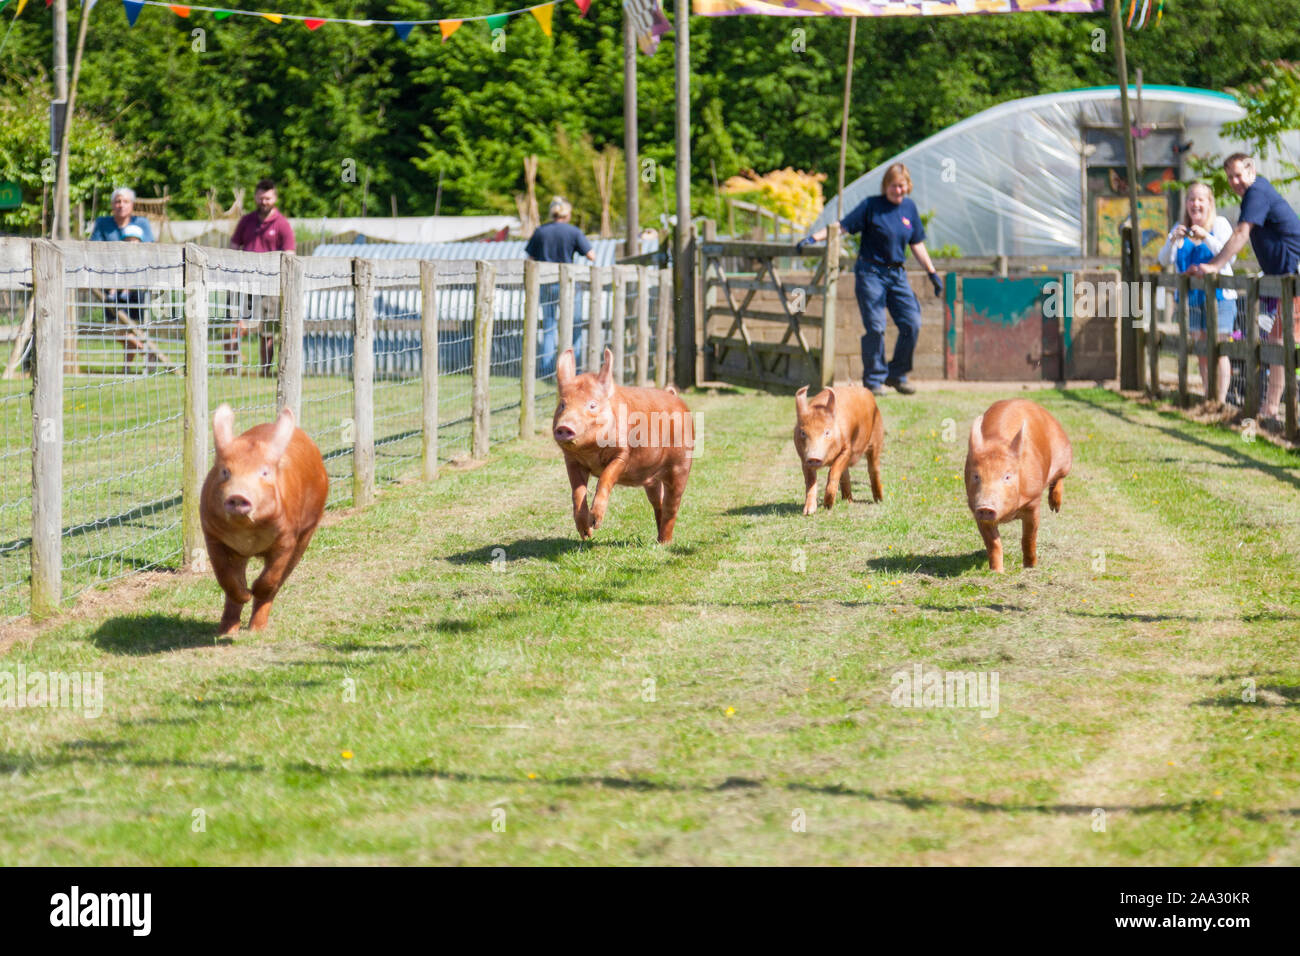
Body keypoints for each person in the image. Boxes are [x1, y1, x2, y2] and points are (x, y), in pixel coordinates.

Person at [801, 163, 942, 396]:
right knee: (876, 326)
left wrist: (932, 272)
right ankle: (874, 379)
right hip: (871, 273)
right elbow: (843, 226)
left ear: (908, 186)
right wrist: (815, 238)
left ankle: (896, 374)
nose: (898, 190)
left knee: (912, 322)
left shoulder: (909, 209)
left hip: (897, 275)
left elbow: (916, 243)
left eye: (902, 186)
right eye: (894, 186)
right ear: (886, 185)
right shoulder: (871, 206)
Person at [1189, 153, 1300, 426]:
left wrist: (1214, 266)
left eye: (1238, 174)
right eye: (1230, 177)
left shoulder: (1257, 191)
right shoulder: (1257, 194)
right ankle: (1270, 410)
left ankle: (1278, 412)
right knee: (1277, 345)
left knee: (1284, 344)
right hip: (1280, 280)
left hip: (1293, 277)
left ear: (1251, 171)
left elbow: (1241, 233)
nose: (1235, 181)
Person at [1157, 182, 1238, 404]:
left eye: (1201, 199)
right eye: (1191, 198)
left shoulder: (1219, 225)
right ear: (1186, 203)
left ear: (1209, 203)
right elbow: (1163, 260)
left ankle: (1220, 402)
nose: (1196, 204)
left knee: (1219, 349)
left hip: (1219, 297)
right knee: (1201, 351)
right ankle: (1207, 397)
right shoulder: (1179, 228)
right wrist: (1173, 239)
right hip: (1191, 299)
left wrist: (1206, 237)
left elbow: (1229, 258)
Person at [230, 178, 296, 374]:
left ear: (274, 198)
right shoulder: (246, 221)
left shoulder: (282, 224)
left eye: (267, 198)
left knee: (267, 331)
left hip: (270, 285)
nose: (263, 202)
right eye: (260, 198)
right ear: (255, 198)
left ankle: (265, 370)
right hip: (247, 283)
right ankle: (232, 368)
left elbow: (290, 255)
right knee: (237, 324)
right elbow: (233, 248)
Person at [525, 197, 596, 377]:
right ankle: (574, 369)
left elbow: (530, 260)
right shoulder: (573, 232)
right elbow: (591, 255)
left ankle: (547, 369)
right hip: (569, 285)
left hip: (546, 284)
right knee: (575, 326)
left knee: (548, 327)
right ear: (568, 213)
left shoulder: (540, 232)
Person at [90, 187, 155, 370]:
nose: (121, 205)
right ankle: (146, 350)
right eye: (118, 201)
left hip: (135, 284)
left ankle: (127, 366)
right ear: (112, 204)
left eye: (125, 201)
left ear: (132, 204)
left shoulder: (141, 223)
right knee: (114, 325)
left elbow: (150, 248)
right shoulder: (103, 223)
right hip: (110, 281)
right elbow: (95, 249)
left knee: (134, 324)